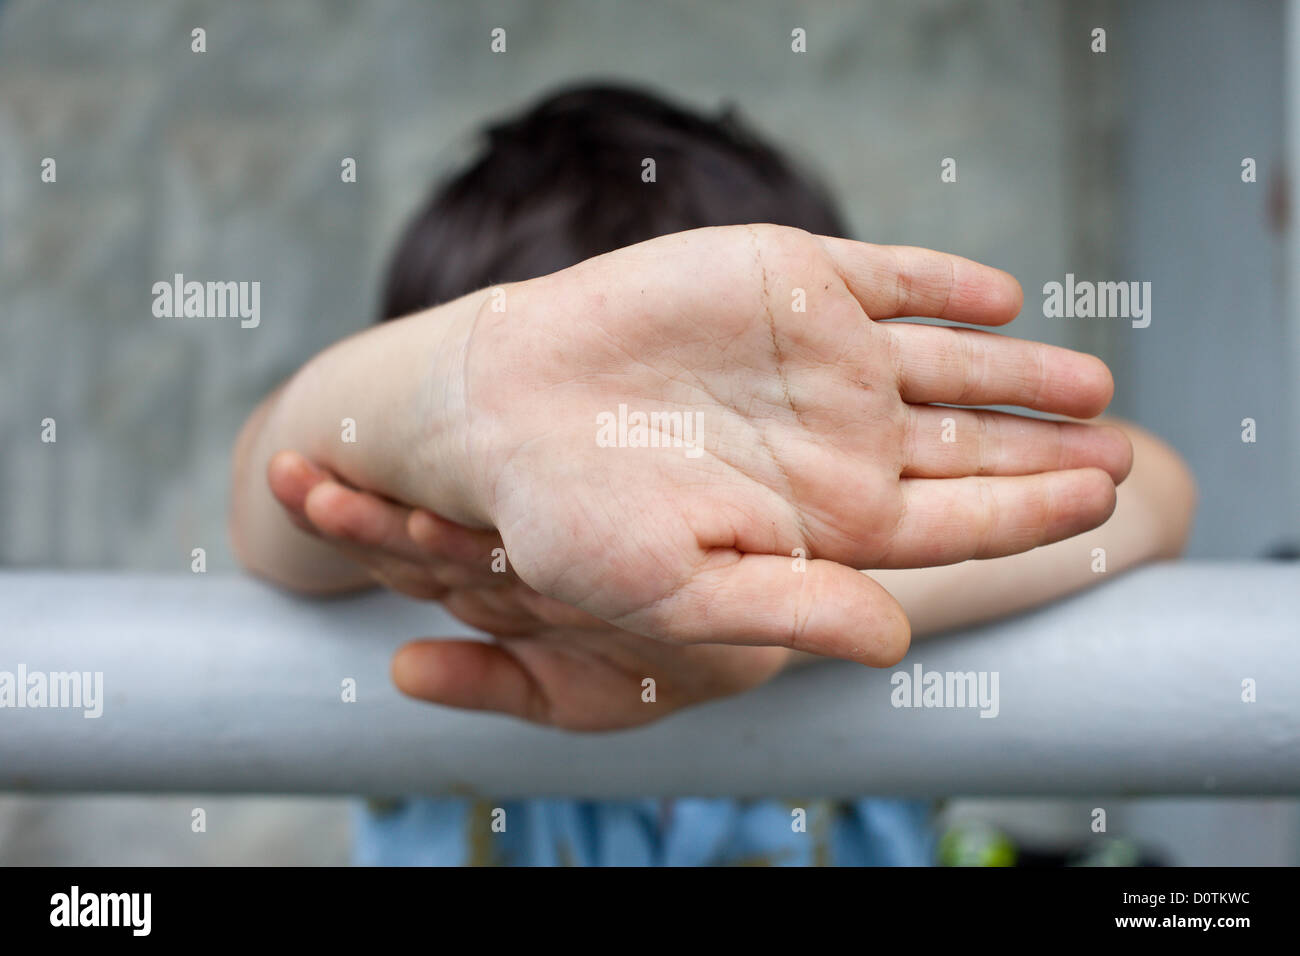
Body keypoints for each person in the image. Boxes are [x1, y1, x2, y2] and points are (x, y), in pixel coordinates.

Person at [229, 84, 1196, 865]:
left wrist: (787, 609)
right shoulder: (432, 601)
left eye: (725, 448)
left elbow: (1147, 493)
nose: (654, 515)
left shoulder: (857, 581)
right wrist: (460, 386)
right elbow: (279, 487)